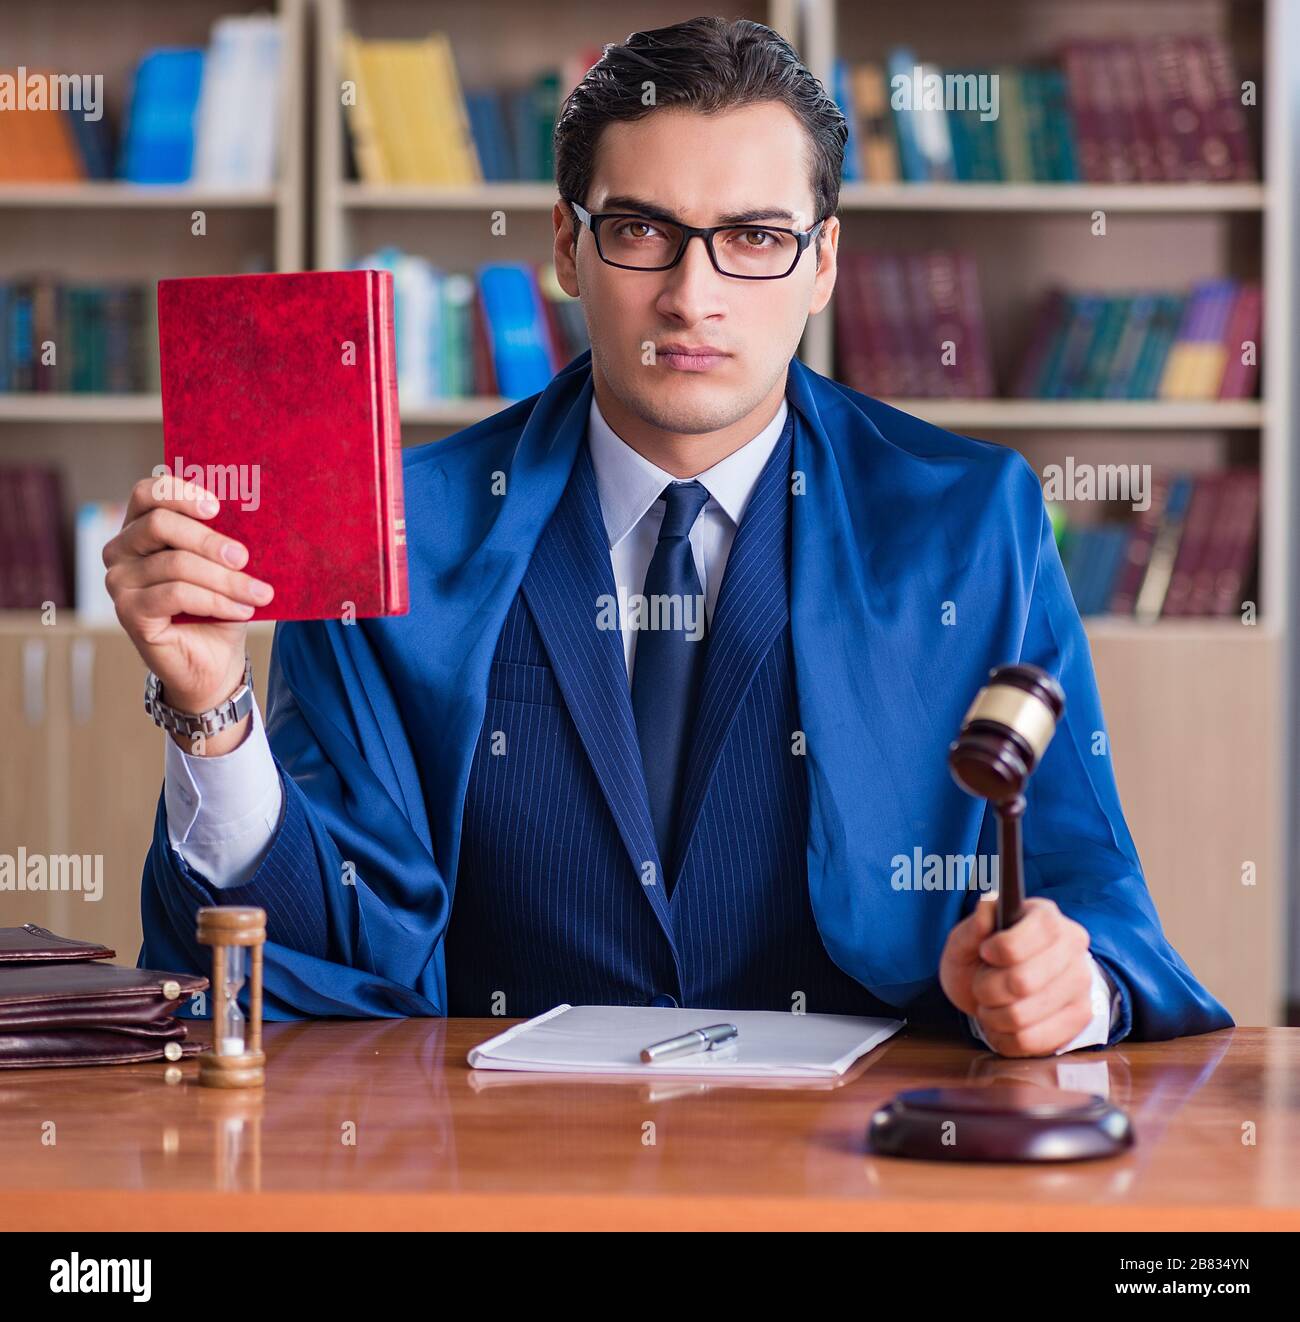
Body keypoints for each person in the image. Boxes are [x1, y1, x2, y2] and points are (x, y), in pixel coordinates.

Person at [106, 17, 1231, 1055]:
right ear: (567, 246)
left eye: (753, 237)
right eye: (643, 230)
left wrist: (1063, 989)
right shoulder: (405, 529)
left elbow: (1090, 891)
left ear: (822, 263)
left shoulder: (964, 518)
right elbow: (305, 955)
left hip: (869, 1169)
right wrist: (211, 709)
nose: (694, 295)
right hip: (490, 1174)